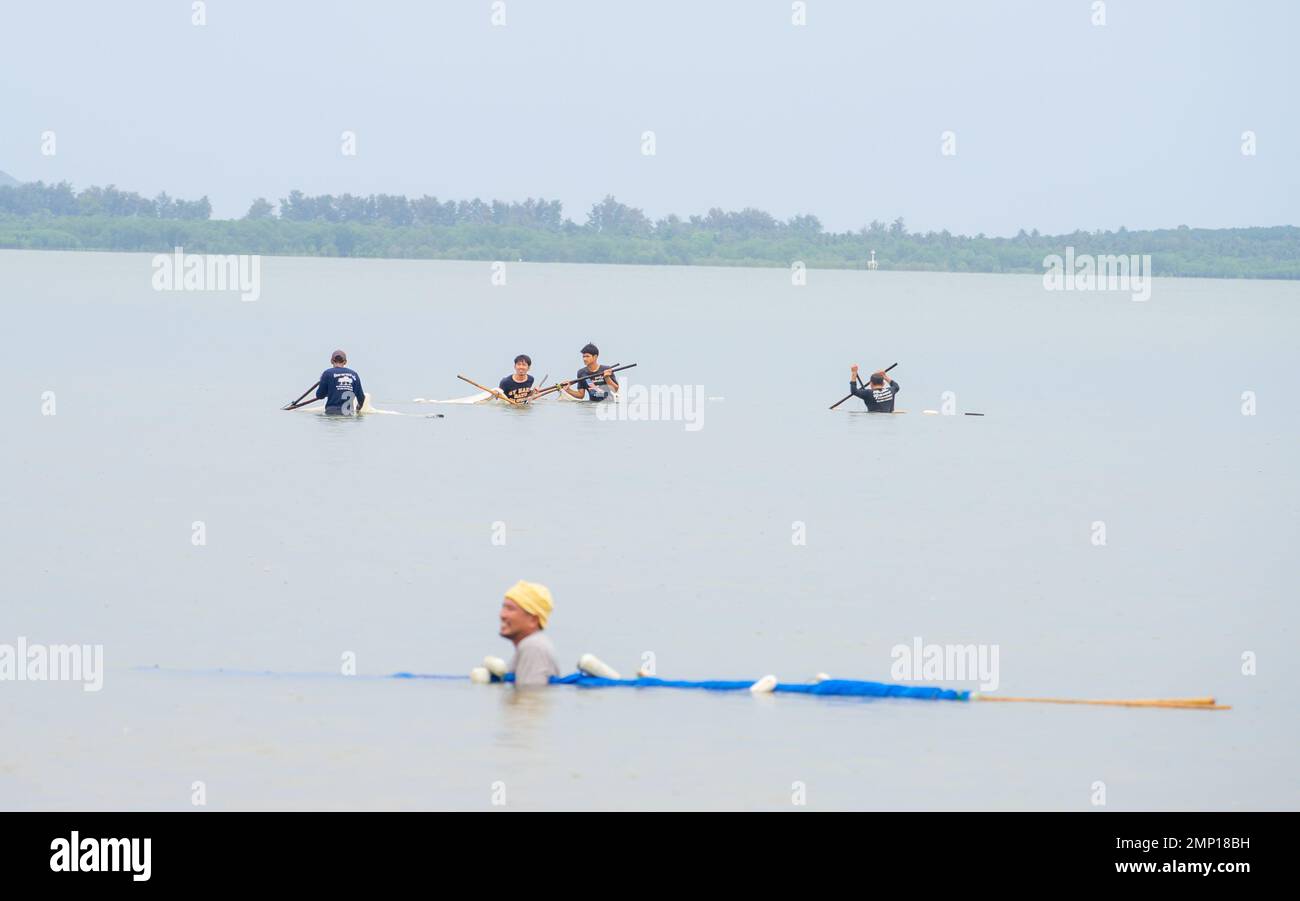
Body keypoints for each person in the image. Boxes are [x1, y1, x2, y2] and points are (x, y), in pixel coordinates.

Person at [498, 580, 561, 687]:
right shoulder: (532, 645)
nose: (502, 615)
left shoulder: (533, 647)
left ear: (533, 620)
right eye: (503, 607)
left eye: (510, 609)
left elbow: (529, 697)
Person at [316, 350, 366, 415]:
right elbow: (361, 398)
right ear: (345, 362)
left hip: (331, 413)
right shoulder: (354, 375)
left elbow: (319, 395)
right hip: (348, 414)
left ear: (331, 361)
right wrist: (358, 408)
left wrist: (323, 384)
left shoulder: (327, 373)